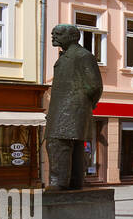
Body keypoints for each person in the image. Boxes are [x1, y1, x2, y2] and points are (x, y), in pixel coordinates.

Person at [44, 24, 104, 189]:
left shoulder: (83, 56)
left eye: (57, 34)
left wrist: (84, 105)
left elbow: (95, 86)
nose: (53, 36)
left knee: (57, 141)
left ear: (72, 37)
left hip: (71, 109)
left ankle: (58, 183)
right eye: (53, 33)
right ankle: (74, 182)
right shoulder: (65, 57)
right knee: (73, 145)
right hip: (67, 109)